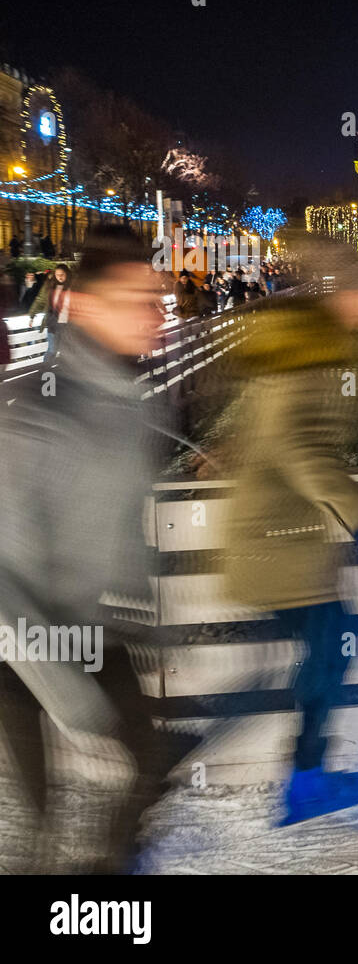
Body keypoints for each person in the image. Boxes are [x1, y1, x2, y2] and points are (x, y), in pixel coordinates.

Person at [0, 225, 202, 872]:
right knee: (43, 826)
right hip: (19, 651)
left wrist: (148, 623)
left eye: (155, 298)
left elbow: (119, 532)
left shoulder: (136, 406)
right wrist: (73, 701)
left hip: (92, 631)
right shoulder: (30, 414)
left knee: (147, 769)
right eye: (134, 300)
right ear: (83, 307)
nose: (155, 314)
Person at [221, 237, 358, 826]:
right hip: (278, 544)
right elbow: (306, 454)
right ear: (346, 297)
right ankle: (304, 780)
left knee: (328, 647)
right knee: (330, 647)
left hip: (281, 539)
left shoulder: (315, 349)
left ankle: (305, 775)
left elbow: (278, 436)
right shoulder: (311, 362)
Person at [29, 263, 73, 360]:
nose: (59, 277)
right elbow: (40, 300)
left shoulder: (73, 287)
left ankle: (62, 368)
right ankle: (46, 368)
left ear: (67, 274)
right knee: (52, 350)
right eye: (57, 275)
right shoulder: (49, 285)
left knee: (66, 351)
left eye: (62, 274)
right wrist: (32, 315)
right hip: (53, 323)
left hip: (67, 325)